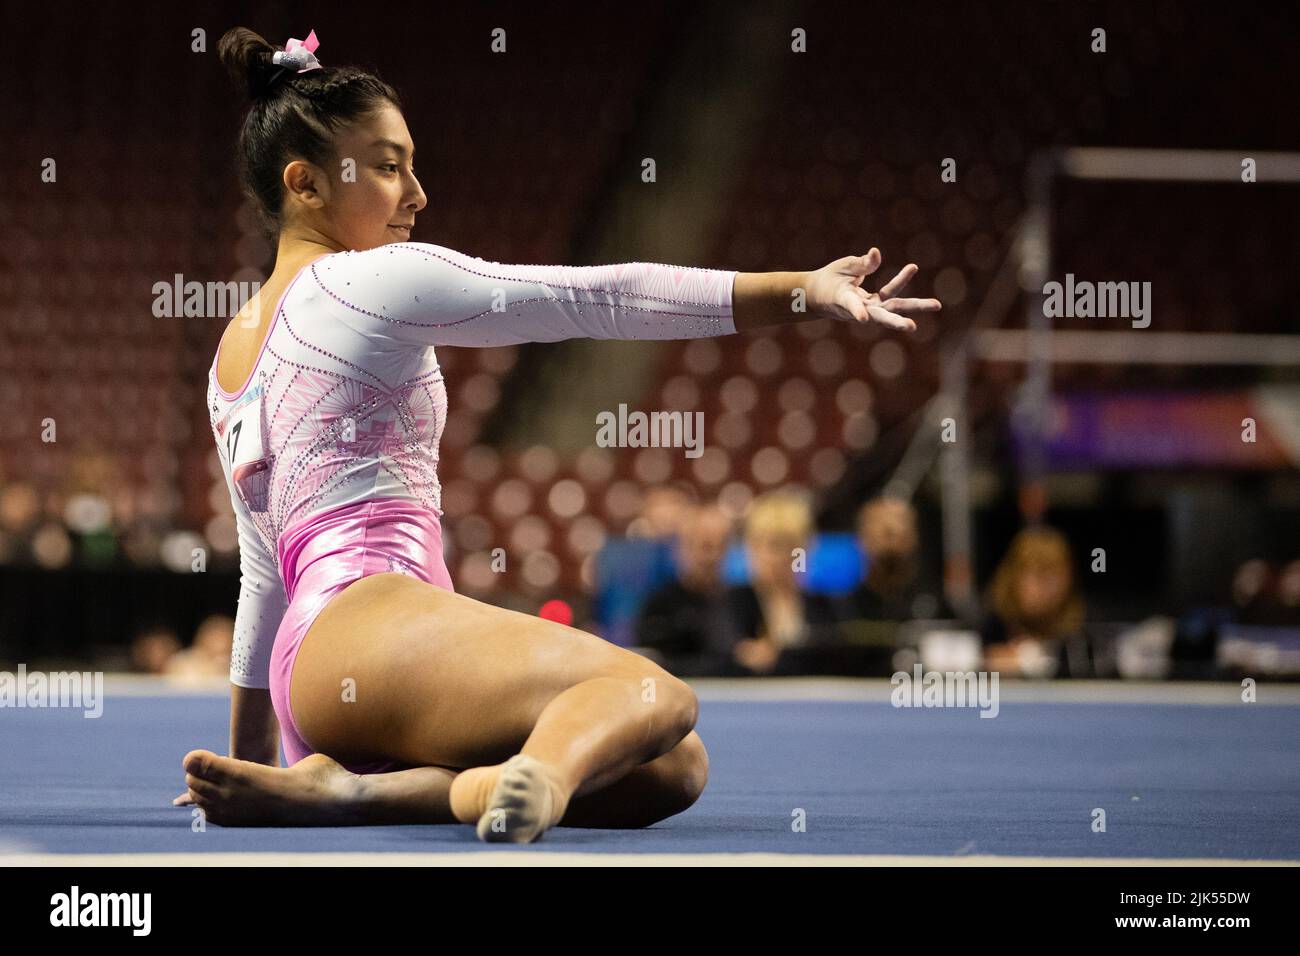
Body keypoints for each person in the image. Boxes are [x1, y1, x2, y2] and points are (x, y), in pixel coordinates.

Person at [175, 27, 941, 843]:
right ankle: (517, 778)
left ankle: (359, 792)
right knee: (660, 697)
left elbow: (263, 582)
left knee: (671, 766)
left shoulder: (231, 354)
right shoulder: (363, 281)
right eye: (390, 165)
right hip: (368, 626)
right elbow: (595, 298)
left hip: (338, 678)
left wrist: (257, 762)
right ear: (306, 184)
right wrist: (801, 290)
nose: (418, 193)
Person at [727, 490, 842, 675]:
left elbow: (831, 658)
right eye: (767, 545)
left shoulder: (823, 604)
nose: (778, 557)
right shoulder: (734, 602)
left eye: (789, 546)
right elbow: (727, 656)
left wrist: (777, 655)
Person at [633, 503, 738, 675]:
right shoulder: (659, 605)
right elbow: (652, 665)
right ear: (682, 548)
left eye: (721, 546)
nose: (713, 557)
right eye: (706, 546)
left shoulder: (739, 600)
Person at [981, 526, 1088, 678]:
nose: (1047, 587)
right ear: (1013, 577)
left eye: (1055, 575)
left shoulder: (1080, 629)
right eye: (1038, 574)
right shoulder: (990, 623)